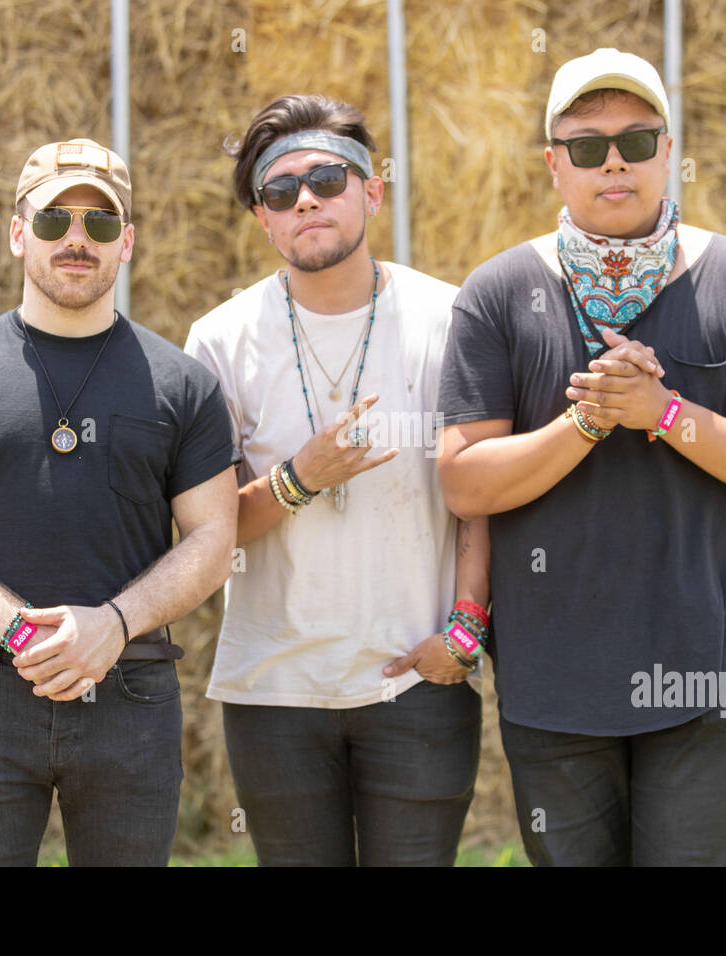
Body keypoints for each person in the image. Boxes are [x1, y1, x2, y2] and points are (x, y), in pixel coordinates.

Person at [436, 49, 726, 866]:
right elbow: (465, 479)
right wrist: (585, 422)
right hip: (552, 676)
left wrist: (665, 413)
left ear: (669, 150)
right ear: (553, 165)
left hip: (702, 668)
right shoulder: (499, 292)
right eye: (586, 147)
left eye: (636, 141)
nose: (613, 162)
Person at [0, 137, 238, 866]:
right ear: (19, 233)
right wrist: (20, 633)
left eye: (101, 224)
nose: (77, 239)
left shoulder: (184, 385)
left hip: (131, 692)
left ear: (127, 243)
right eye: (54, 220)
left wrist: (112, 625)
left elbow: (212, 539)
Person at [184, 95, 490, 866]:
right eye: (280, 192)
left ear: (372, 190)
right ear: (263, 219)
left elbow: (481, 496)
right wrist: (296, 480)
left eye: (327, 178)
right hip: (274, 688)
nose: (307, 200)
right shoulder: (218, 341)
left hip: (416, 681)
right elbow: (205, 534)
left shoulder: (450, 318)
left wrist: (464, 628)